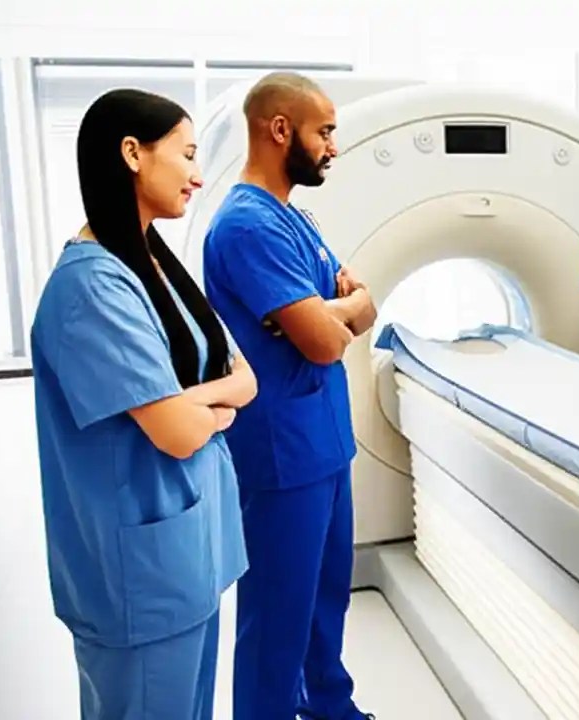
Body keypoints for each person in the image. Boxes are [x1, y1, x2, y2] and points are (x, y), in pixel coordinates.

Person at [29, 88, 255, 719]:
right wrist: (204, 410)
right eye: (186, 154)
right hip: (140, 575)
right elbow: (180, 434)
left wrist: (192, 401)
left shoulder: (154, 263)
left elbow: (246, 378)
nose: (199, 174)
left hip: (189, 555)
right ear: (132, 153)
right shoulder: (93, 287)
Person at [202, 72, 379, 720]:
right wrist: (338, 312)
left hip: (324, 444)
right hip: (281, 453)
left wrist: (339, 308)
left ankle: (331, 709)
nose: (333, 146)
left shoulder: (293, 217)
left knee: (325, 600)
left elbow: (365, 307)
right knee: (277, 618)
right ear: (281, 130)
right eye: (324, 132)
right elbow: (326, 343)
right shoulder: (248, 226)